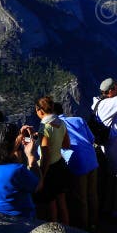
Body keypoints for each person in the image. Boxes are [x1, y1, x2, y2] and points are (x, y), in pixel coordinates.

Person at [91, 77, 117, 220]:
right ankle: (116, 211)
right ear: (111, 91)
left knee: (111, 176)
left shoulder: (99, 102)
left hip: (108, 146)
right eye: (116, 88)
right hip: (116, 146)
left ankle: (107, 207)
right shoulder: (107, 104)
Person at [54, 101, 100, 230]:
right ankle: (94, 223)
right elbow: (92, 139)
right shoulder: (78, 119)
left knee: (81, 199)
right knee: (93, 194)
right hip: (92, 159)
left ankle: (84, 229)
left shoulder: (54, 127)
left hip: (77, 162)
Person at [34, 96, 71, 225]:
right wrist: (55, 141)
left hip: (50, 169)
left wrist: (42, 176)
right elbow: (66, 144)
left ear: (40, 110)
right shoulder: (61, 123)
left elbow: (45, 156)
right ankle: (69, 229)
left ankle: (55, 232)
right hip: (60, 164)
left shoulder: (44, 127)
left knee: (51, 203)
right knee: (62, 201)